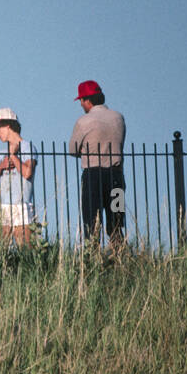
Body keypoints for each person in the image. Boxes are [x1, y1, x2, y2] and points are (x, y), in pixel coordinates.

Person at [69, 80, 127, 248]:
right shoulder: (119, 117)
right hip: (116, 175)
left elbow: (73, 149)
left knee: (91, 221)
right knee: (116, 220)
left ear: (87, 100)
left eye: (81, 100)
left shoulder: (83, 121)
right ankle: (119, 253)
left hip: (93, 174)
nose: (81, 104)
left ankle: (92, 255)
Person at [0, 108, 38, 247]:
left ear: (8, 125)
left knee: (26, 249)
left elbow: (27, 173)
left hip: (20, 204)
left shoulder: (27, 147)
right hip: (1, 205)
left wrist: (13, 156)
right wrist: (0, 168)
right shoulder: (0, 153)